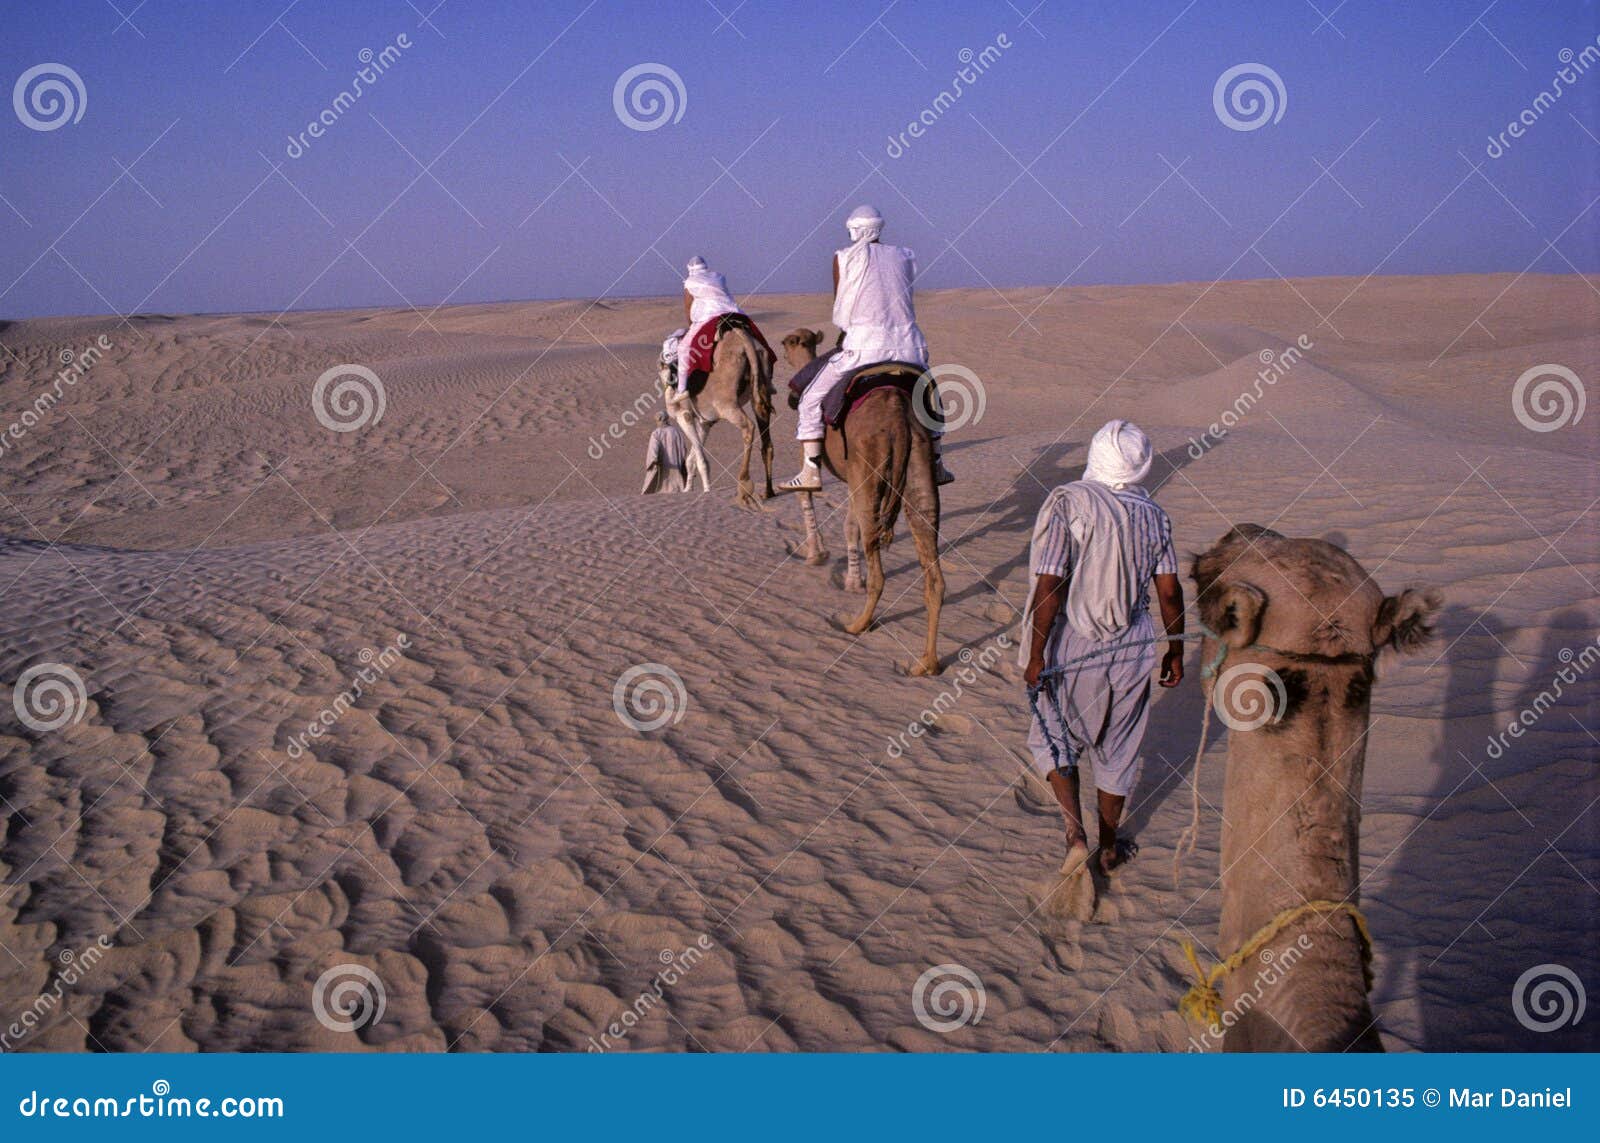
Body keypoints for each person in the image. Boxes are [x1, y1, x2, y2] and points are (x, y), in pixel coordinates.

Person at [1019, 419, 1185, 876]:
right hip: (1134, 644)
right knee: (1121, 745)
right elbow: (1169, 591)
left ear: (1095, 456)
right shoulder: (1155, 516)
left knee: (1056, 732)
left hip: (1075, 640)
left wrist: (1036, 654)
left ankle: (1076, 835)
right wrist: (1175, 650)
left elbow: (1050, 586)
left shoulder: (1071, 502)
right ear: (1140, 467)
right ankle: (1109, 847)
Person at [776, 204, 951, 492]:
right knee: (929, 394)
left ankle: (810, 470)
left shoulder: (843, 257)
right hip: (909, 347)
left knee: (809, 398)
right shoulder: (905, 255)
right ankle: (936, 462)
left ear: (853, 230)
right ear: (880, 228)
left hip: (863, 348)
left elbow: (841, 306)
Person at [676, 256, 742, 395]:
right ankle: (767, 380)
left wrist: (691, 327)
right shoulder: (719, 276)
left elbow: (688, 308)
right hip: (733, 313)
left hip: (709, 316)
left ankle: (681, 390)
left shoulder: (690, 282)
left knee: (683, 349)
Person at [641, 411, 690, 494]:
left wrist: (653, 459)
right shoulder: (676, 431)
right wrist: (681, 460)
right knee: (676, 487)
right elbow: (683, 449)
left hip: (662, 464)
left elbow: (653, 448)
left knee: (660, 486)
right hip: (675, 464)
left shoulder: (656, 433)